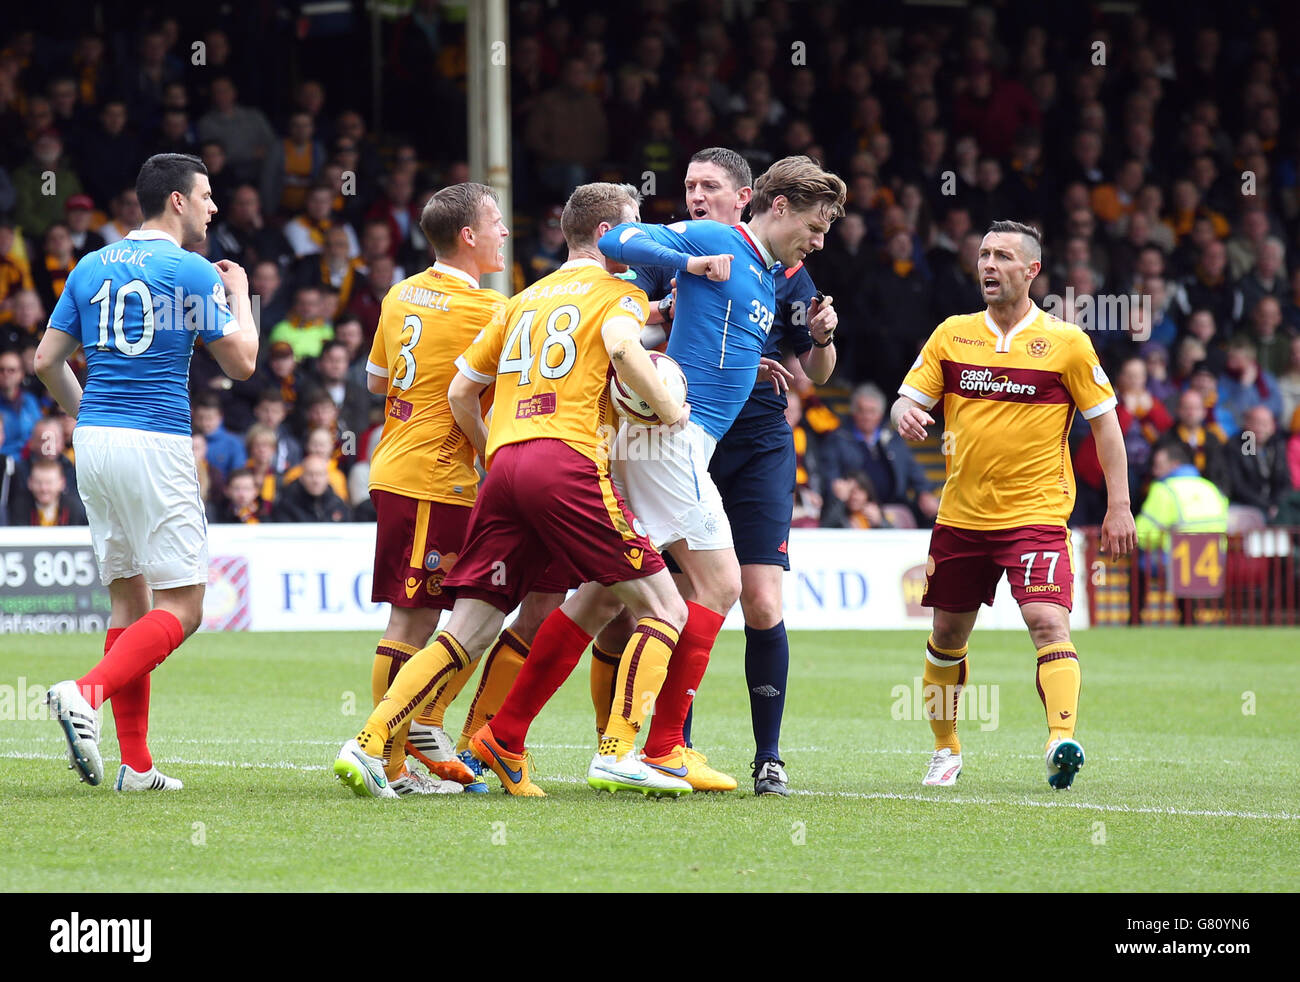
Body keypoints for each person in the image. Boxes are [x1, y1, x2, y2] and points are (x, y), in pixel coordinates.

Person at [335, 182, 697, 799]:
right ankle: (618, 752)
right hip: (568, 461)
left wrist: (494, 451)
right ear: (610, 234)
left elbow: (458, 394)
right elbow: (620, 348)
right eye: (633, 229)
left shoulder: (521, 300)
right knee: (667, 608)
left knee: (470, 625)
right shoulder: (620, 292)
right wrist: (669, 409)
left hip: (504, 464)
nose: (642, 242)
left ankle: (371, 743)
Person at [594, 147, 843, 796]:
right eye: (689, 185)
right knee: (645, 601)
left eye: (709, 186)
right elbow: (621, 310)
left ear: (746, 196)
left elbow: (817, 373)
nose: (696, 195)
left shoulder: (786, 270)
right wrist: (672, 326)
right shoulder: (691, 247)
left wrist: (818, 338)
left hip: (753, 435)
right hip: (679, 430)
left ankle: (764, 757)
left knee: (750, 596)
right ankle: (660, 745)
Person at [34, 152, 258, 792]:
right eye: (208, 195)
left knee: (128, 599)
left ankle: (136, 766)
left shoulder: (89, 264)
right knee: (184, 607)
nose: (214, 206)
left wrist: (87, 419)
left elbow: (48, 360)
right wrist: (239, 293)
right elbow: (241, 362)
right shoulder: (189, 270)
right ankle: (85, 691)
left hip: (96, 442)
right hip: (153, 442)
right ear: (178, 201)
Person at [890, 220, 1136, 791]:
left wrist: (1118, 506)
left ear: (1031, 271)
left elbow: (1107, 428)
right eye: (982, 255)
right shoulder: (952, 334)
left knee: (1049, 623)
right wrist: (904, 412)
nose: (988, 265)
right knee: (947, 638)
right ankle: (945, 749)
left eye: (1002, 256)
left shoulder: (1068, 343)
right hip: (962, 517)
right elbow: (910, 398)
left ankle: (1060, 741)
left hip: (1037, 515)